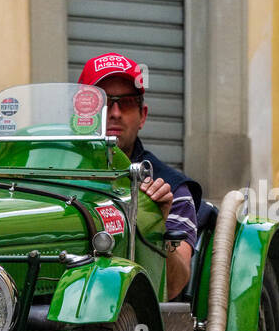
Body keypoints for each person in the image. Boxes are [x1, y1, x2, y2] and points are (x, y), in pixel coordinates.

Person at [79, 53, 200, 300]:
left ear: (142, 115)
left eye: (125, 103)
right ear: (80, 113)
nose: (114, 113)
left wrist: (159, 223)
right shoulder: (51, 175)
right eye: (102, 102)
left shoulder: (171, 190)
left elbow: (174, 285)